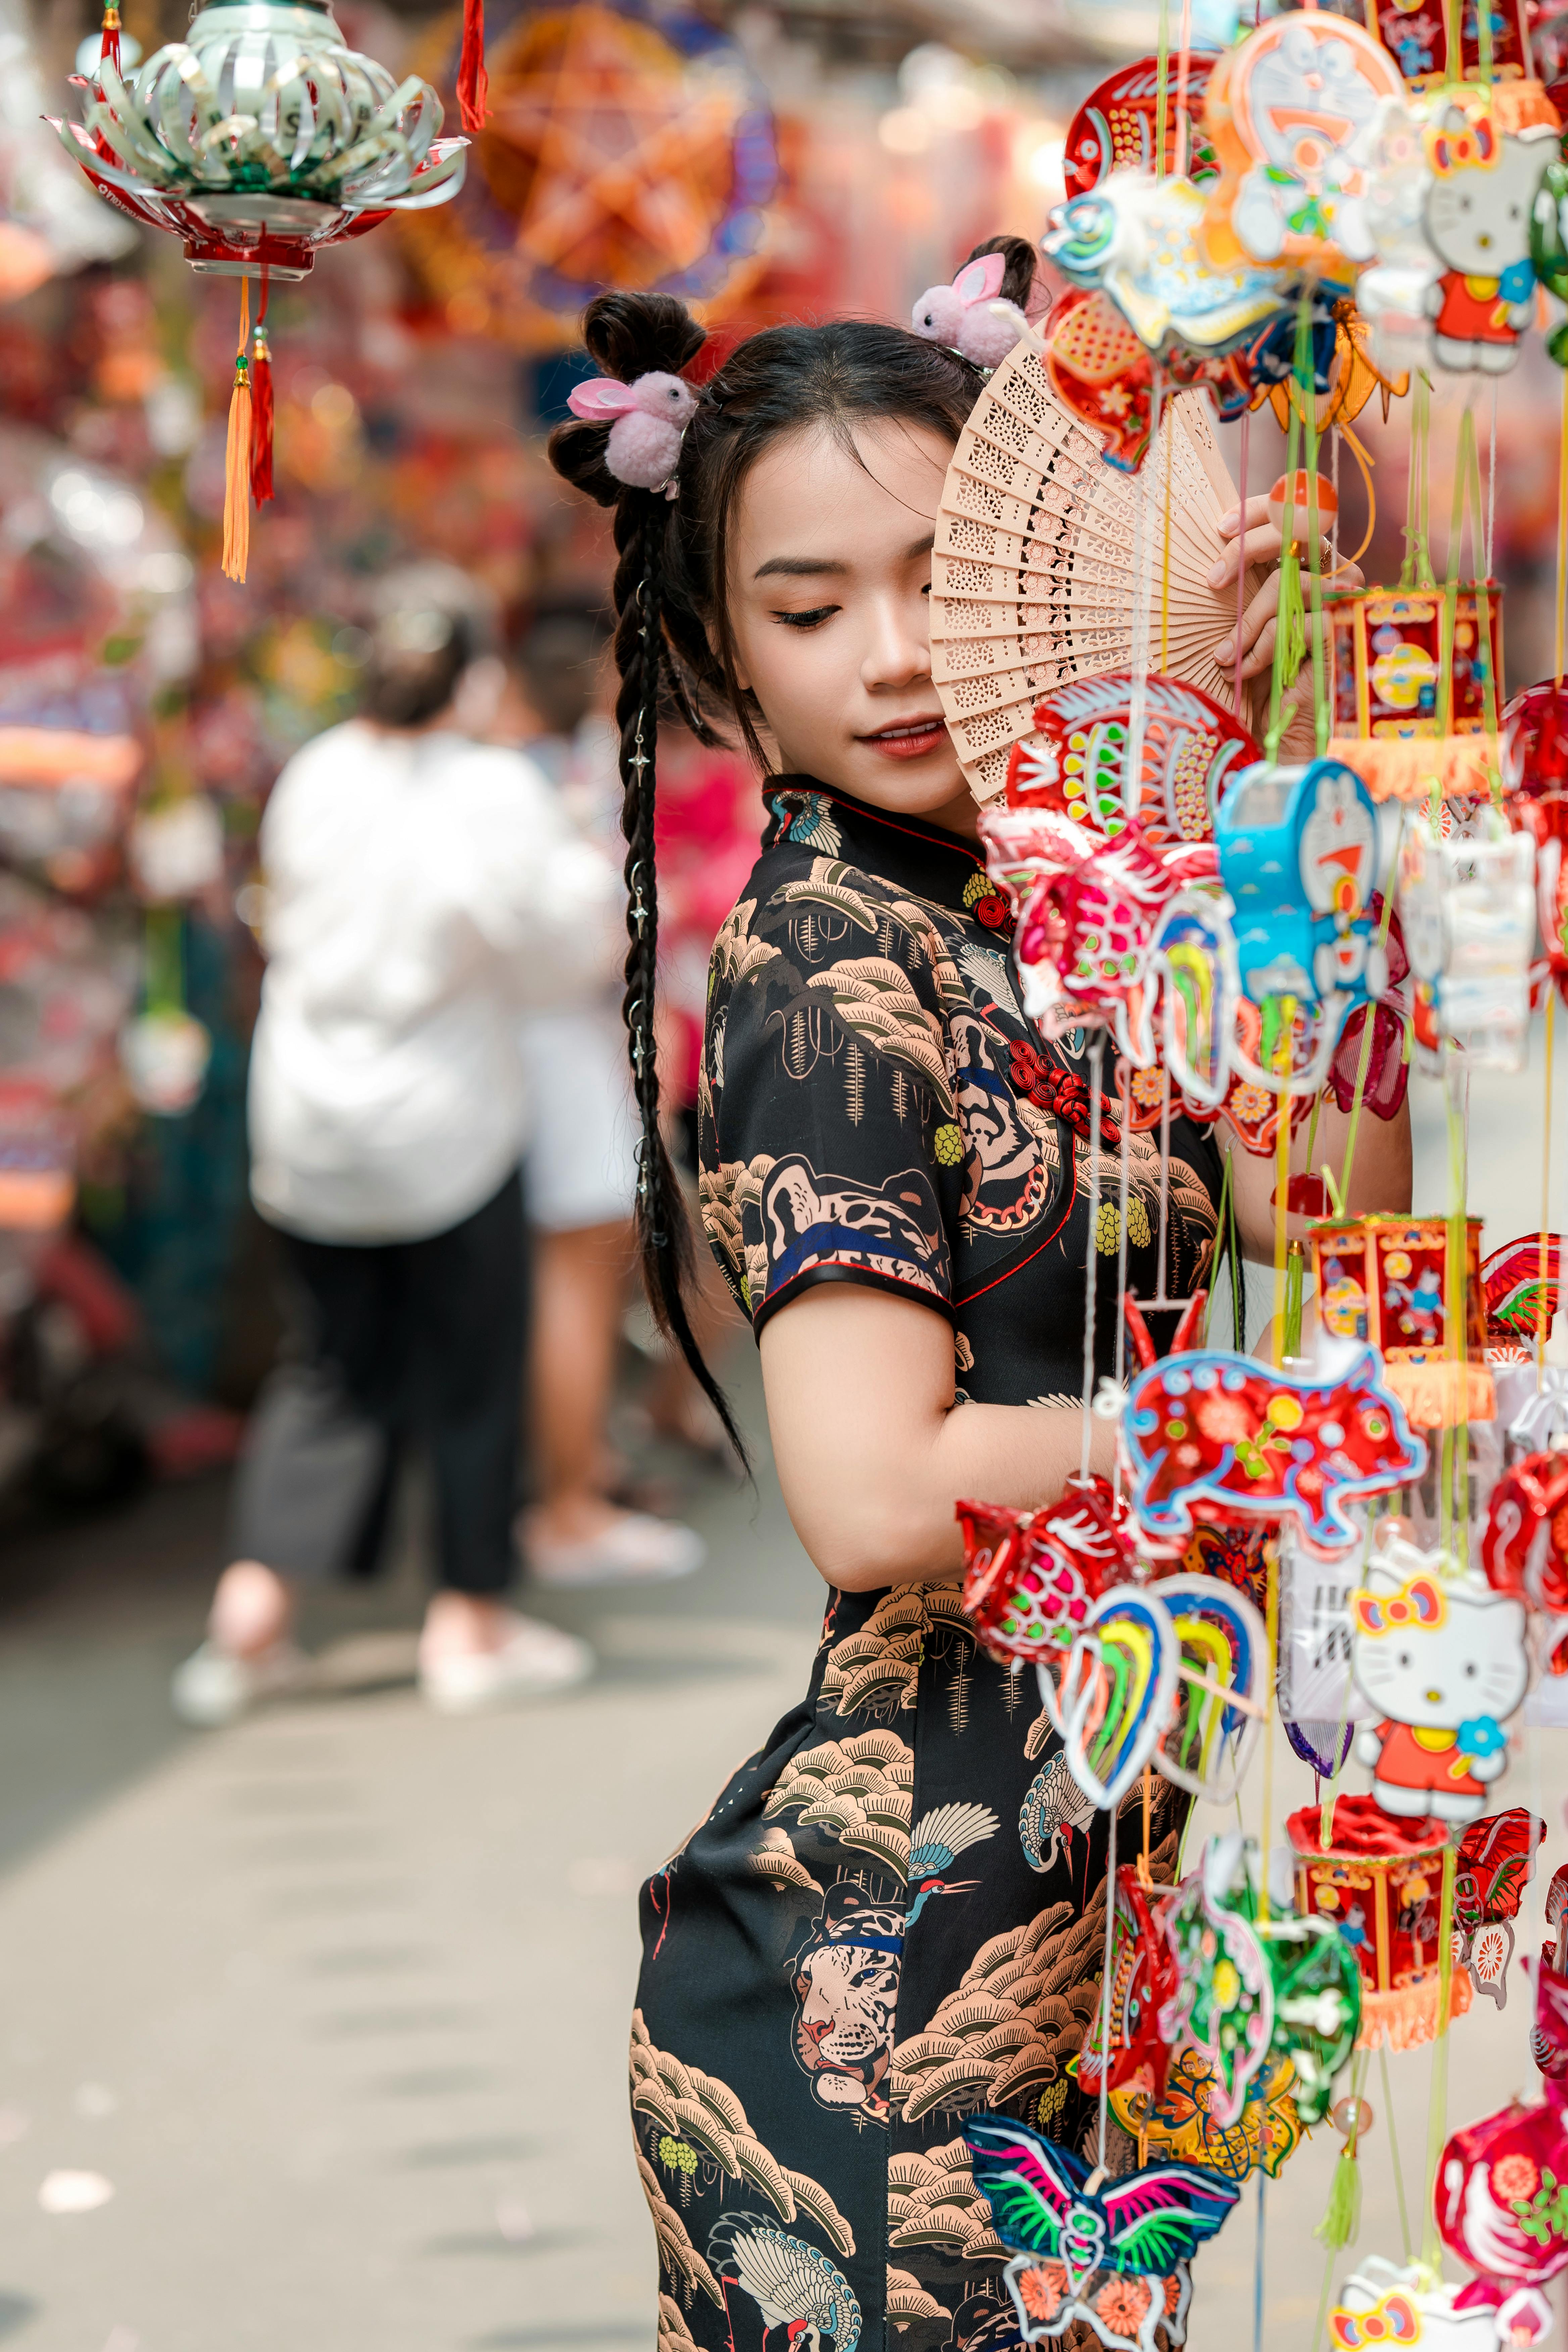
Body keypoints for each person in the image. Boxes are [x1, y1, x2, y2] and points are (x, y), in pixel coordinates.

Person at [548, 254, 1412, 2345]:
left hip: (1094, 1940)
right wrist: (1241, 1434)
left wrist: (1283, 806)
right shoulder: (827, 968)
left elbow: (1329, 1216)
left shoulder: (1064, 904)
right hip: (883, 2014)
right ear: (719, 654)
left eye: (950, 573)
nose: (902, 656)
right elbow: (876, 1497)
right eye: (809, 605)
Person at [172, 565, 618, 1726]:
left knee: (327, 1367)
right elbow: (568, 948)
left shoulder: (315, 772)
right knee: (471, 1371)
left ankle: (247, 1621)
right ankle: (469, 1624)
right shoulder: (490, 789)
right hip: (445, 1126)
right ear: (476, 675)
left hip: (311, 1121)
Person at [504, 607, 706, 1585]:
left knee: (572, 1274)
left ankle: (582, 1473)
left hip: (529, 1050)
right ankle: (568, 1503)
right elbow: (619, 919)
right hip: (572, 1051)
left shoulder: (510, 772)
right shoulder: (577, 775)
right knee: (575, 1278)